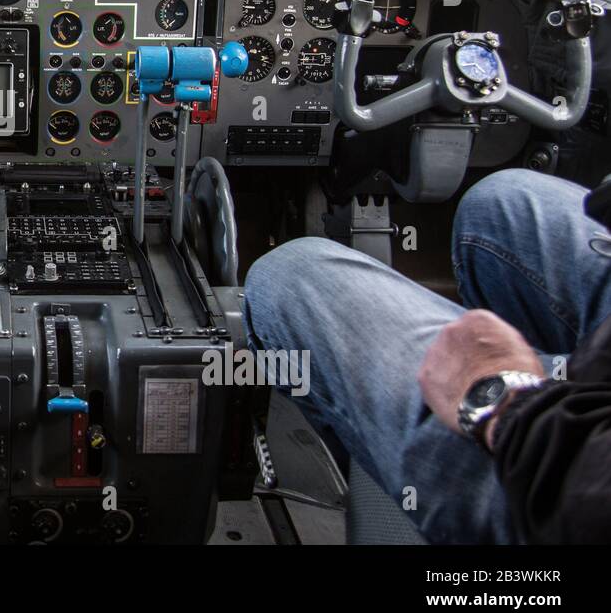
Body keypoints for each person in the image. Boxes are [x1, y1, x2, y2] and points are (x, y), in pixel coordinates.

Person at [244, 168, 611, 544]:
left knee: (292, 276)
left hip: (563, 471)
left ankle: (410, 487)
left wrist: (506, 401)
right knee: (499, 203)